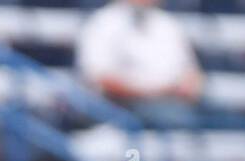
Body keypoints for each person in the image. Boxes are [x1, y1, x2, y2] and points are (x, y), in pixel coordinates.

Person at [75, 0, 203, 128]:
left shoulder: (169, 24)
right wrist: (153, 92)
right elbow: (100, 78)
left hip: (171, 105)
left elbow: (191, 73)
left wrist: (189, 87)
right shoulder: (102, 22)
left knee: (208, 118)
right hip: (120, 108)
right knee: (170, 117)